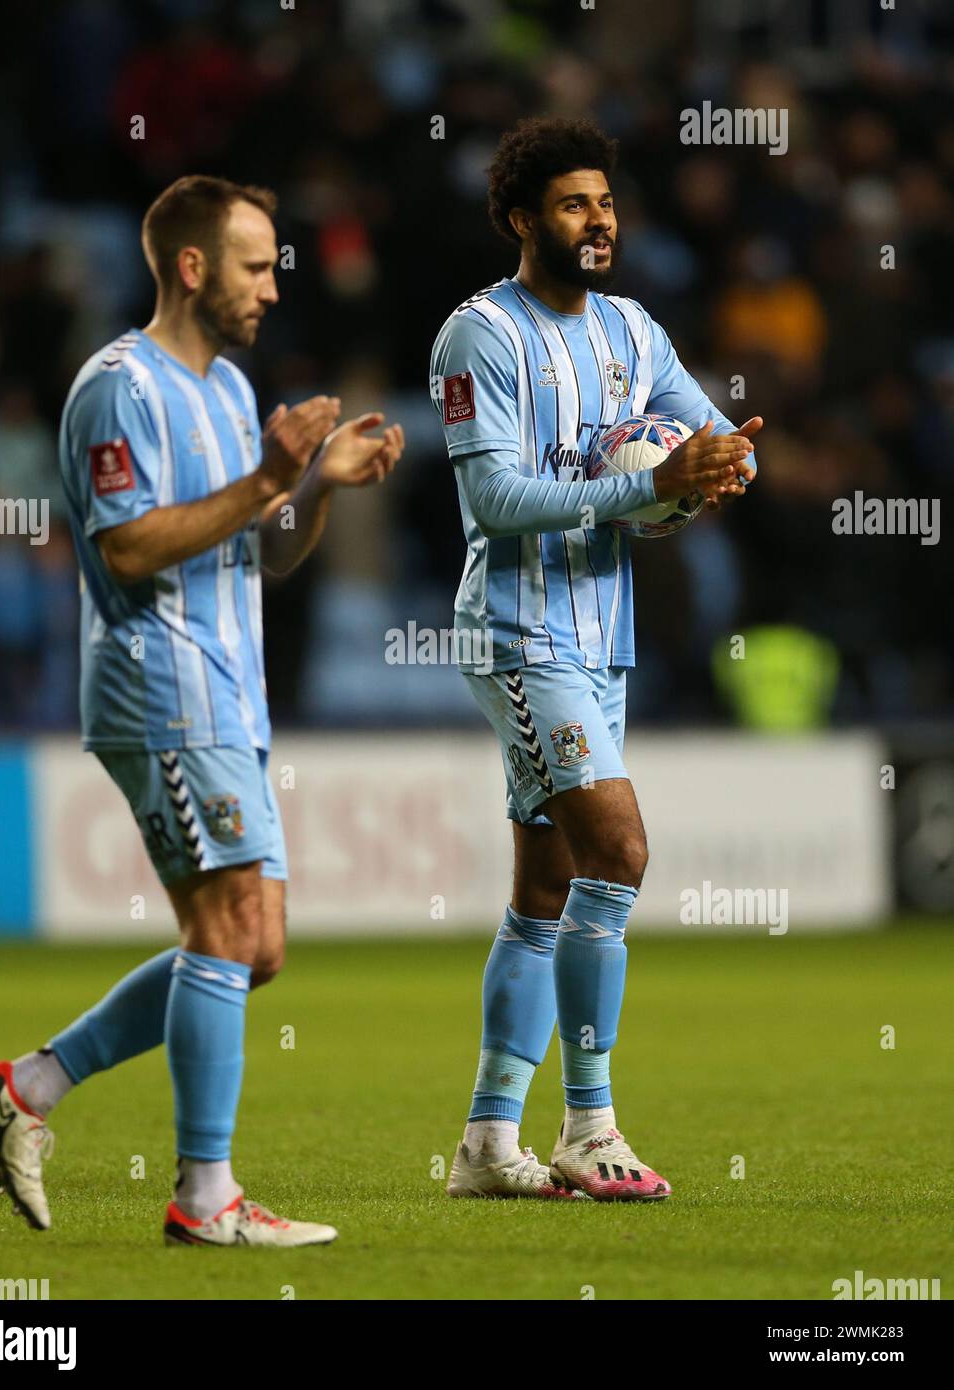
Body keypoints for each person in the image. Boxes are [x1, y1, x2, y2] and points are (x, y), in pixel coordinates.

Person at [0, 174, 404, 1248]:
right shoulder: (120, 386)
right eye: (257, 266)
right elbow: (126, 545)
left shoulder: (230, 391)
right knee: (224, 928)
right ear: (193, 267)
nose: (273, 290)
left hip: (226, 688)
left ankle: (28, 1086)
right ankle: (206, 1196)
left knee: (256, 946)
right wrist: (264, 482)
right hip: (159, 686)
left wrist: (315, 483)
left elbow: (265, 553)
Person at [429, 118, 759, 1201]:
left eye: (606, 202)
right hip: (521, 633)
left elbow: (711, 435)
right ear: (523, 219)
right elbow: (495, 499)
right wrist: (651, 489)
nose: (600, 219)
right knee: (617, 853)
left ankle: (486, 1141)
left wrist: (720, 463)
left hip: (600, 633)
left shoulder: (631, 329)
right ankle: (588, 1124)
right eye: (574, 204)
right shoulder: (480, 336)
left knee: (548, 883)